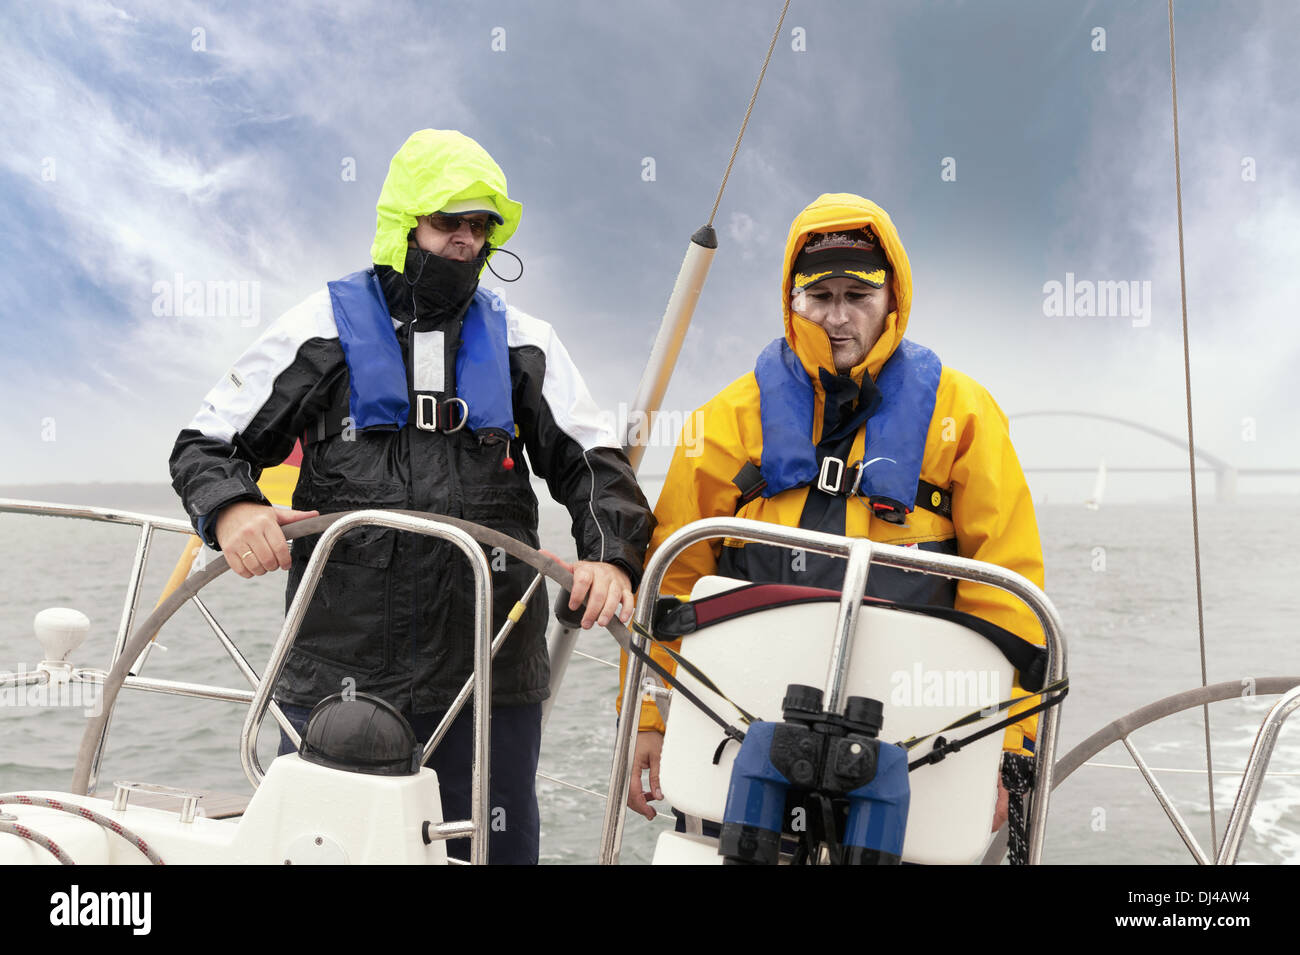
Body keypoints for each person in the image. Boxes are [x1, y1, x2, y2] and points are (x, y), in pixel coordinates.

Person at [170, 129, 654, 864]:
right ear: (405, 225)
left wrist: (612, 559)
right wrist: (234, 509)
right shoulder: (319, 329)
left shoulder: (526, 342)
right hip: (338, 672)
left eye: (479, 226)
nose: (465, 241)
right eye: (447, 223)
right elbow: (205, 445)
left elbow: (594, 467)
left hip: (488, 678)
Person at [623, 193, 1045, 838]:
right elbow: (673, 579)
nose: (840, 317)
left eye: (858, 295)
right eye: (821, 298)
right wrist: (647, 720)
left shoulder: (965, 417)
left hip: (916, 737)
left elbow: (1010, 588)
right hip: (741, 723)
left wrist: (1008, 745)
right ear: (791, 302)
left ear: (892, 298)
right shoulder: (726, 420)